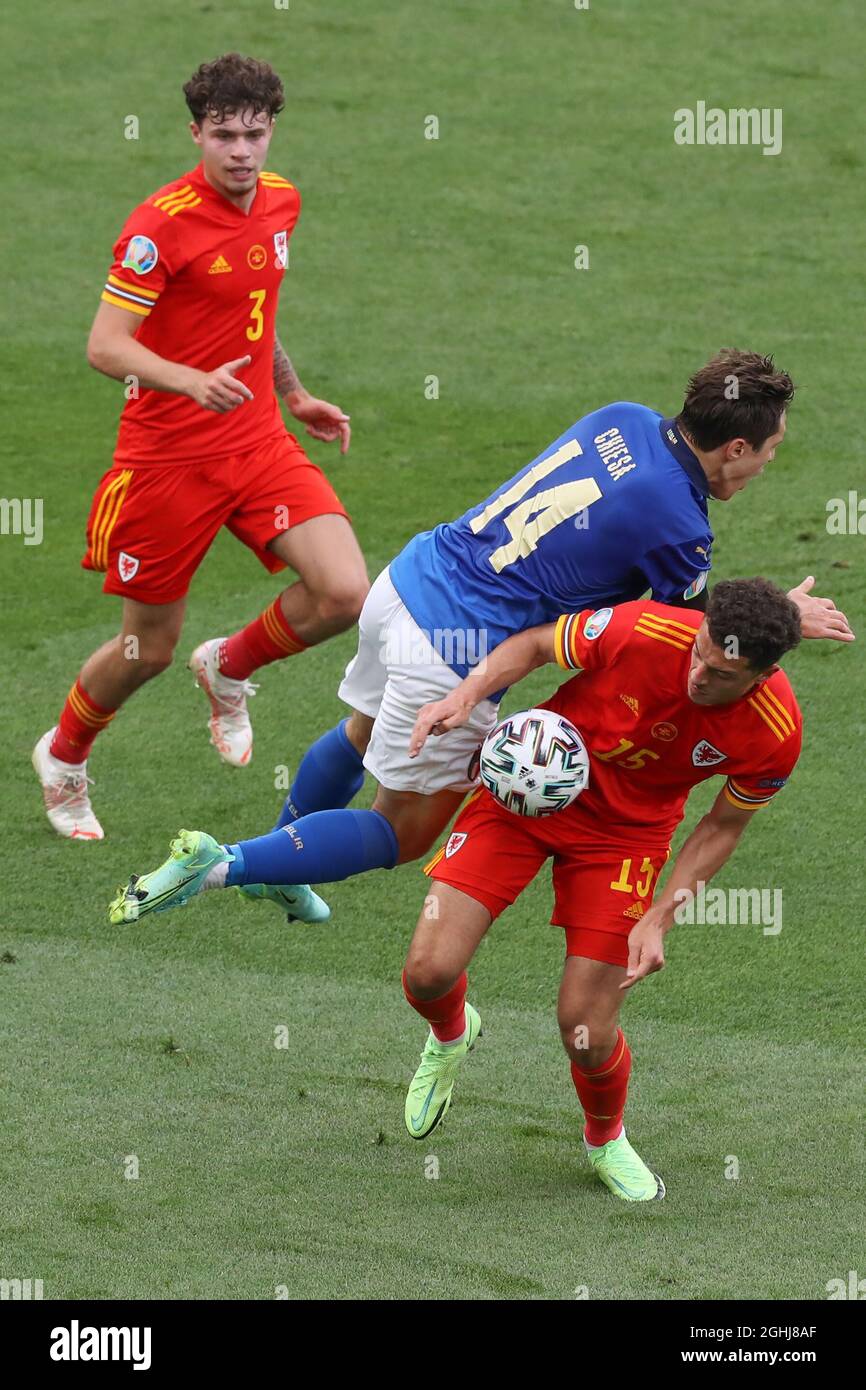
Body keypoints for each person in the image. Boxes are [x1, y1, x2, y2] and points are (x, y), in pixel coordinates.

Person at [106, 352, 850, 920]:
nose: (769, 464)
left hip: (412, 576)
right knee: (401, 833)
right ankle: (221, 864)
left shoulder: (622, 416)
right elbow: (682, 631)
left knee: (361, 733)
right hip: (455, 646)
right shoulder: (682, 525)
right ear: (738, 449)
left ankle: (283, 870)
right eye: (771, 450)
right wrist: (784, 612)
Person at [33, 52, 368, 842]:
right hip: (167, 462)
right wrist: (186, 380)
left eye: (255, 134)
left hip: (257, 440)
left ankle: (231, 667)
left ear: (272, 130)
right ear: (197, 134)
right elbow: (105, 345)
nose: (242, 151)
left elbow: (255, 307)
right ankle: (64, 754)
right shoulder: (159, 227)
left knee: (344, 593)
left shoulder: (281, 202)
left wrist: (291, 392)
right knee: (146, 648)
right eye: (224, 135)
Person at [399, 579, 806, 1201]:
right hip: (526, 793)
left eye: (721, 674)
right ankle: (453, 1032)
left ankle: (605, 1136)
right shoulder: (642, 628)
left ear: (760, 674)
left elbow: (722, 826)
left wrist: (660, 919)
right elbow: (536, 644)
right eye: (698, 653)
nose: (699, 675)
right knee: (427, 972)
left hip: (626, 838)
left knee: (583, 1025)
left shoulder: (774, 732)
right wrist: (466, 695)